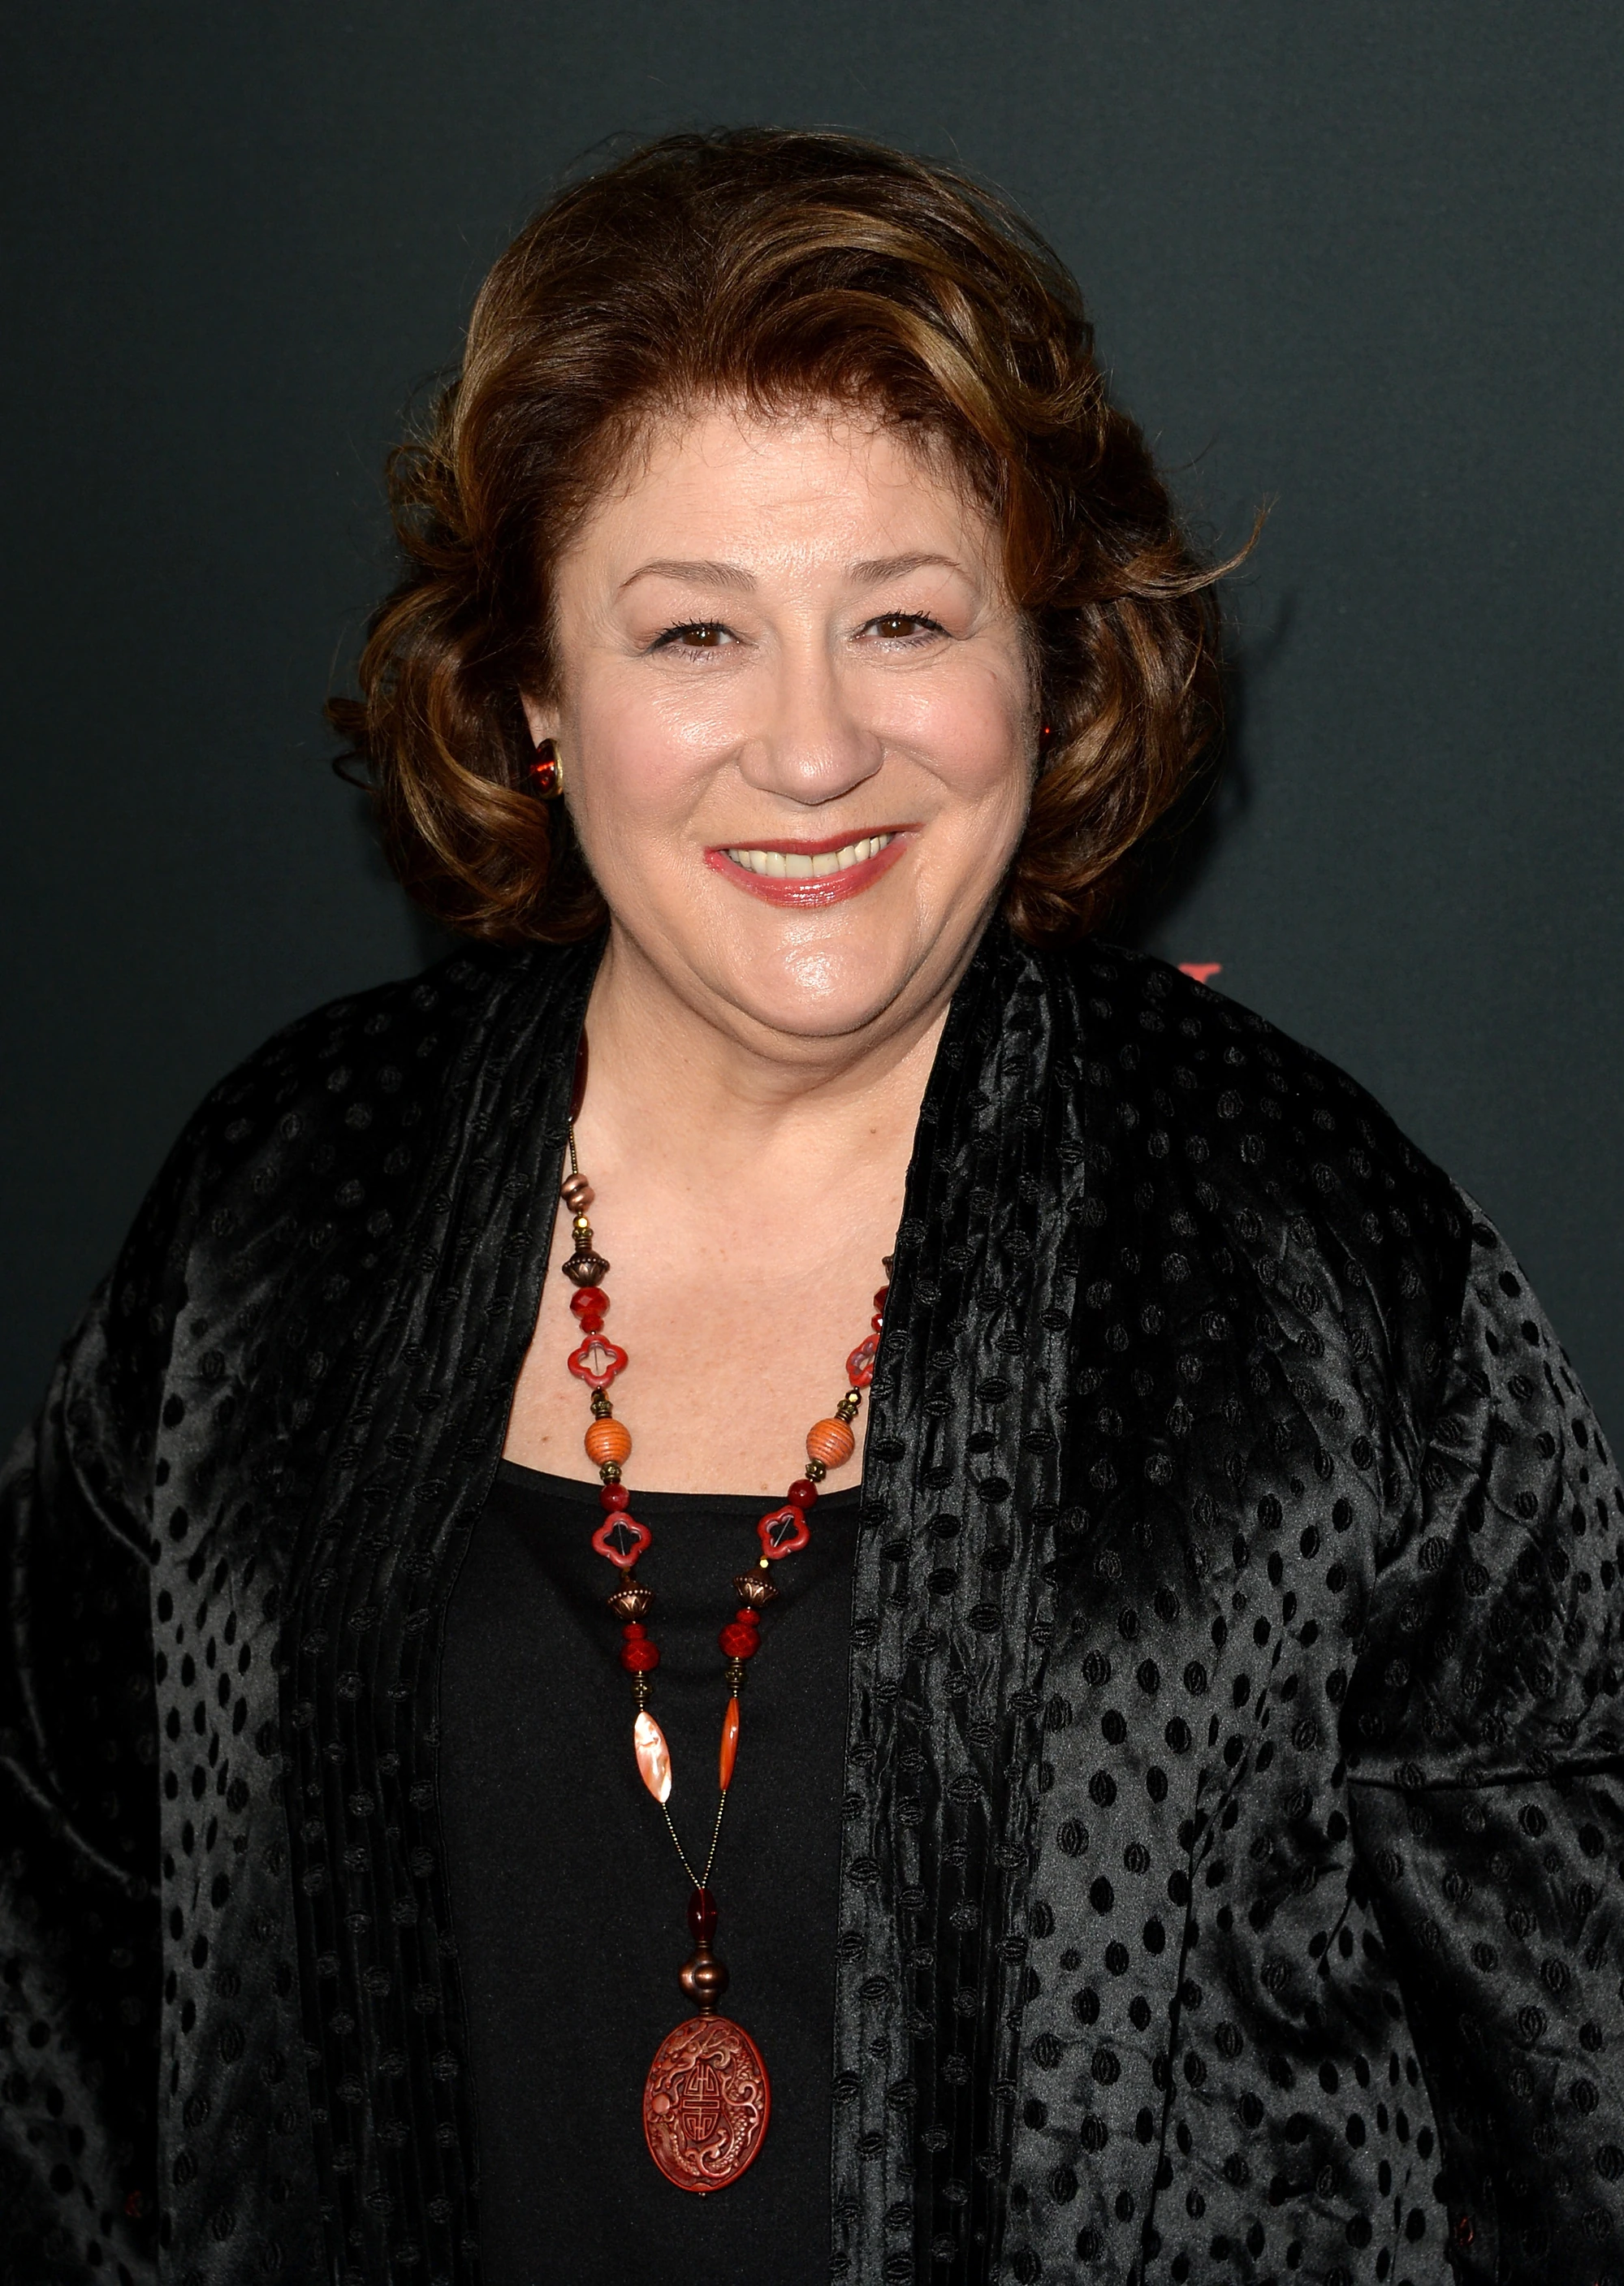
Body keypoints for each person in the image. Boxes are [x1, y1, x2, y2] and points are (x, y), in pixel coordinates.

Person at [3, 127, 1621, 2286]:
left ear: (1043, 668)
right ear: (536, 695)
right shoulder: (282, 1207)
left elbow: (1582, 2067)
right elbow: (49, 1993)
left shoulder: (1311, 1256)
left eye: (903, 619)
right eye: (694, 630)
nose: (813, 746)